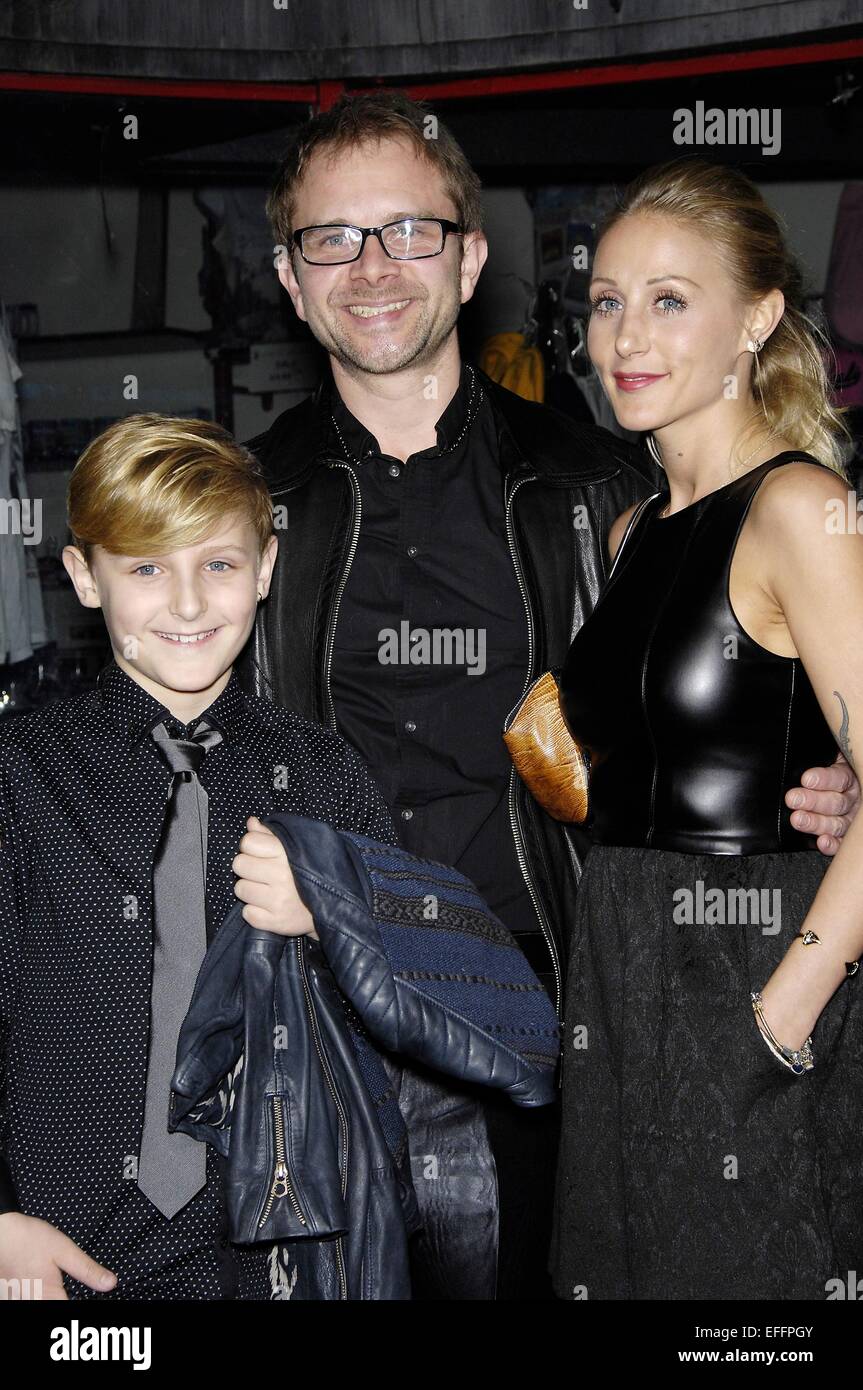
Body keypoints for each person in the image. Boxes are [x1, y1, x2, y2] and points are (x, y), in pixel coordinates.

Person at [235, 91, 859, 1299]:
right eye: (333, 239)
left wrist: (807, 817)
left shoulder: (600, 487)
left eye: (409, 231)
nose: (372, 268)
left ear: (471, 261)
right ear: (289, 277)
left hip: (557, 1003)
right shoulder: (237, 507)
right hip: (324, 1025)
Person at [0, 412, 419, 1299]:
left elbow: (431, 1004)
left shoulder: (321, 773)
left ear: (265, 568)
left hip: (288, 1251)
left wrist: (336, 916)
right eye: (145, 568)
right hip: (62, 1248)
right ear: (82, 575)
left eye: (218, 565)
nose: (187, 605)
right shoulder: (20, 777)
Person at [550, 157, 863, 1301]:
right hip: (623, 968)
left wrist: (781, 1013)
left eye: (670, 300)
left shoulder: (794, 510)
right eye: (606, 300)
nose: (625, 334)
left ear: (757, 318)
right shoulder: (630, 526)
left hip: (749, 956)